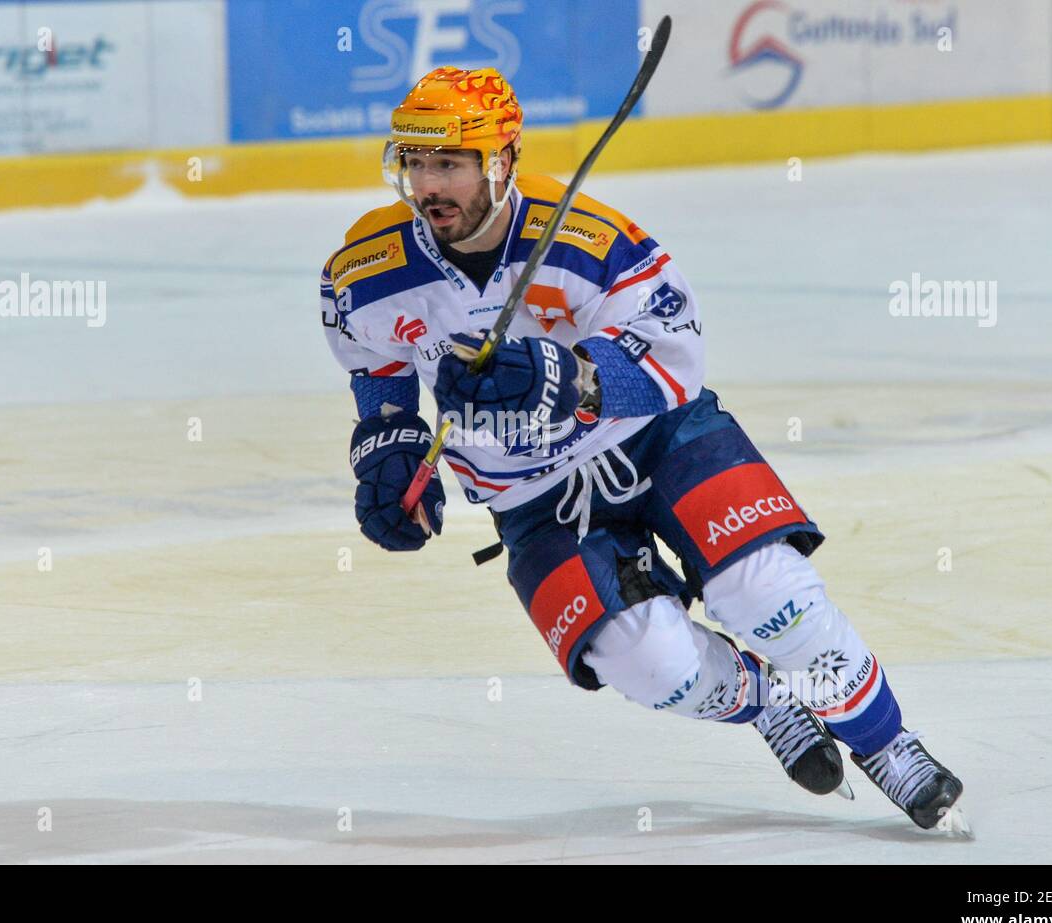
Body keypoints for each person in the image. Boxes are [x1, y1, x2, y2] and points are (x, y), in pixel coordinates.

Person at [321, 66, 965, 831]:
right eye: (417, 163)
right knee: (648, 663)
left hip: (658, 440)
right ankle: (769, 701)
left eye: (450, 163)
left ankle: (888, 742)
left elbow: (677, 355)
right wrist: (391, 454)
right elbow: (375, 364)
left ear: (501, 161)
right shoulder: (364, 269)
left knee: (767, 590)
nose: (429, 184)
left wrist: (564, 373)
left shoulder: (588, 237)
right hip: (531, 497)